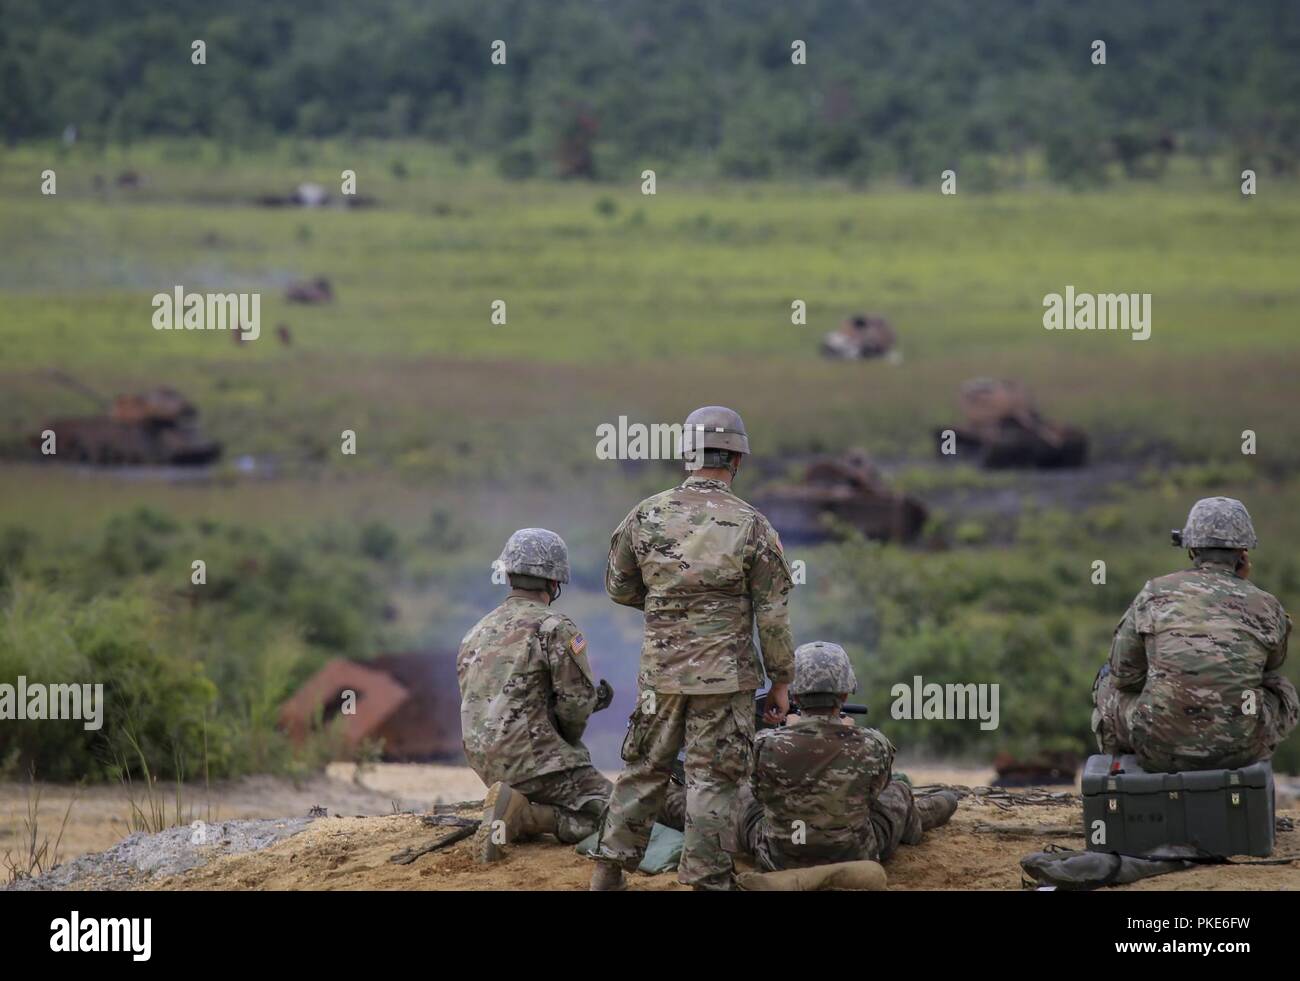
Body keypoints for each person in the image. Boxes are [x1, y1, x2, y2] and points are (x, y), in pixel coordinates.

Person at [590, 406, 795, 891]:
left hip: (660, 673)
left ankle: (609, 870)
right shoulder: (754, 526)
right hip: (726, 679)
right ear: (737, 460)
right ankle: (706, 881)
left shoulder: (646, 514)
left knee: (644, 769)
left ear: (688, 454)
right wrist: (782, 680)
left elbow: (619, 586)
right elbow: (773, 614)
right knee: (712, 780)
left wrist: (667, 610)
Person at [1092, 497, 1298, 772]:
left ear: (1191, 548)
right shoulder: (1266, 604)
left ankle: (1124, 774)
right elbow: (1270, 663)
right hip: (1242, 750)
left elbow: (1123, 675)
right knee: (1279, 686)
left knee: (1107, 682)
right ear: (1243, 551)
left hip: (1157, 750)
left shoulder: (1154, 593)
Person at [457, 528, 618, 862]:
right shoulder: (556, 628)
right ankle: (525, 818)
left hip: (487, 766)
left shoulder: (475, 632)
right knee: (622, 817)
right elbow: (574, 706)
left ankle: (512, 801)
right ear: (554, 582)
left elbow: (494, 700)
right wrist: (572, 731)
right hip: (539, 766)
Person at [735, 641, 957, 872]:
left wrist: (787, 731)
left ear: (795, 697)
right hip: (855, 854)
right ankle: (920, 819)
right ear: (844, 694)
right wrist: (847, 732)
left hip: (779, 856)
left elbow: (760, 793)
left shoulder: (765, 744)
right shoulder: (873, 744)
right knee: (898, 788)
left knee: (740, 792)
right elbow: (873, 795)